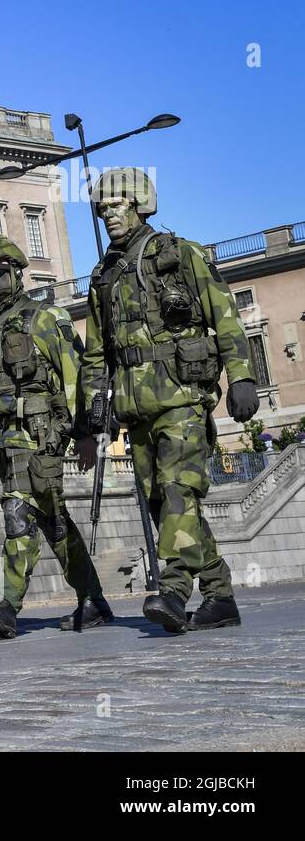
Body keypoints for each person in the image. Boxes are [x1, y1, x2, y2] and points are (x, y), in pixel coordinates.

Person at [75, 168, 259, 632]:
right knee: (165, 505)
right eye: (102, 208)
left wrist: (241, 377)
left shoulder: (179, 254)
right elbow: (96, 353)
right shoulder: (103, 276)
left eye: (117, 205)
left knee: (180, 491)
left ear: (140, 204)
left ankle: (173, 590)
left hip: (182, 398)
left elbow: (225, 316)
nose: (108, 214)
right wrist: (95, 406)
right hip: (135, 410)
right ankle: (220, 595)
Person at [0, 235, 113, 638]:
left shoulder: (44, 318)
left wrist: (87, 433)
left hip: (39, 435)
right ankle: (93, 600)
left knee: (17, 512)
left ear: (15, 272)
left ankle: (7, 605)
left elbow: (76, 376)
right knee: (52, 519)